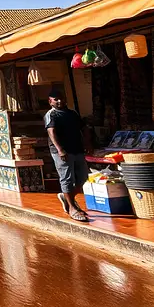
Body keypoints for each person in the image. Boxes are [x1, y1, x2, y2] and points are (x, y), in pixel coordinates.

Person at [45, 90, 90, 222]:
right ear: (50, 101)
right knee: (67, 178)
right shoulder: (51, 114)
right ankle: (72, 208)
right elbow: (51, 132)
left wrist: (87, 143)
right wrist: (60, 150)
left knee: (83, 177)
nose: (60, 101)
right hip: (62, 151)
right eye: (56, 99)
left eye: (61, 98)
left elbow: (83, 128)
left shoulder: (72, 113)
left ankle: (66, 197)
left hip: (77, 149)